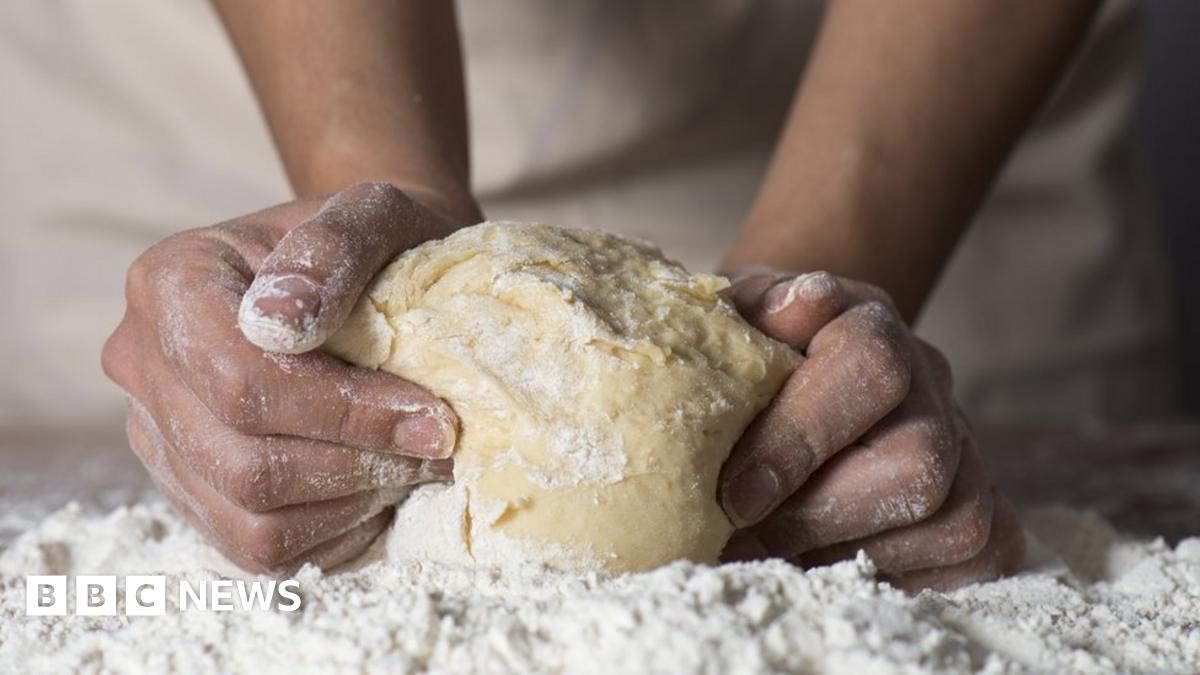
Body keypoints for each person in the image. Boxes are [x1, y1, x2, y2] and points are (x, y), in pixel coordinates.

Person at [93, 0, 1168, 590]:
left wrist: (798, 329)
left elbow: (820, 363)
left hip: (930, 152)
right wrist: (368, 191)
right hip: (244, 100)